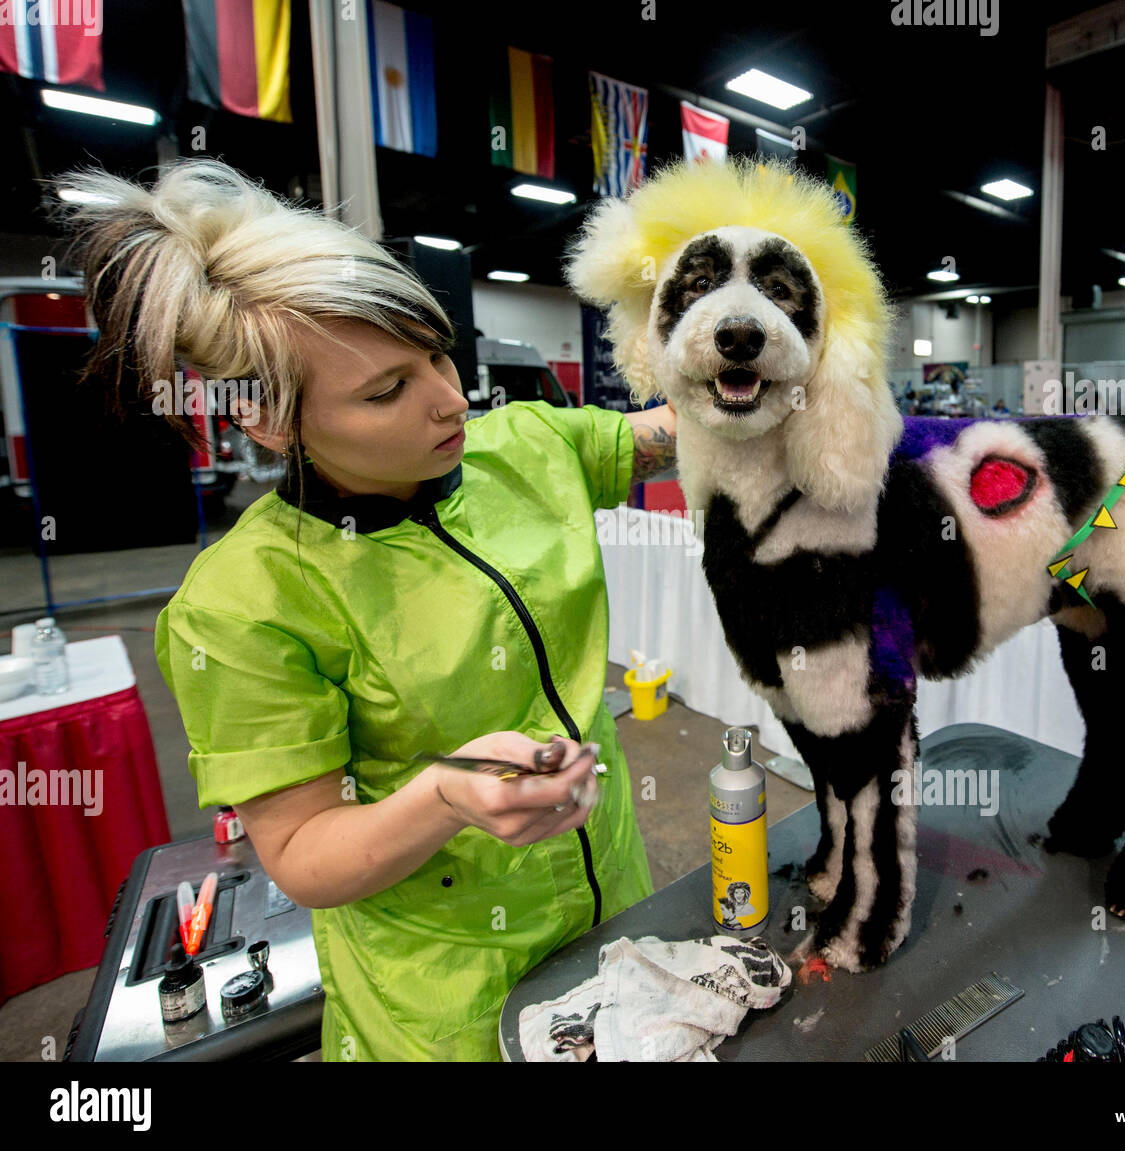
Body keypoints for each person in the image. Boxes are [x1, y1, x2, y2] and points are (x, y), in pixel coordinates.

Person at [52, 159, 674, 1060]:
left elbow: (684, 430)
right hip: (449, 990)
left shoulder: (528, 446)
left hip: (615, 905)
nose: (451, 398)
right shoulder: (243, 605)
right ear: (269, 420)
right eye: (386, 390)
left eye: (437, 352)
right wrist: (444, 796)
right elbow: (302, 851)